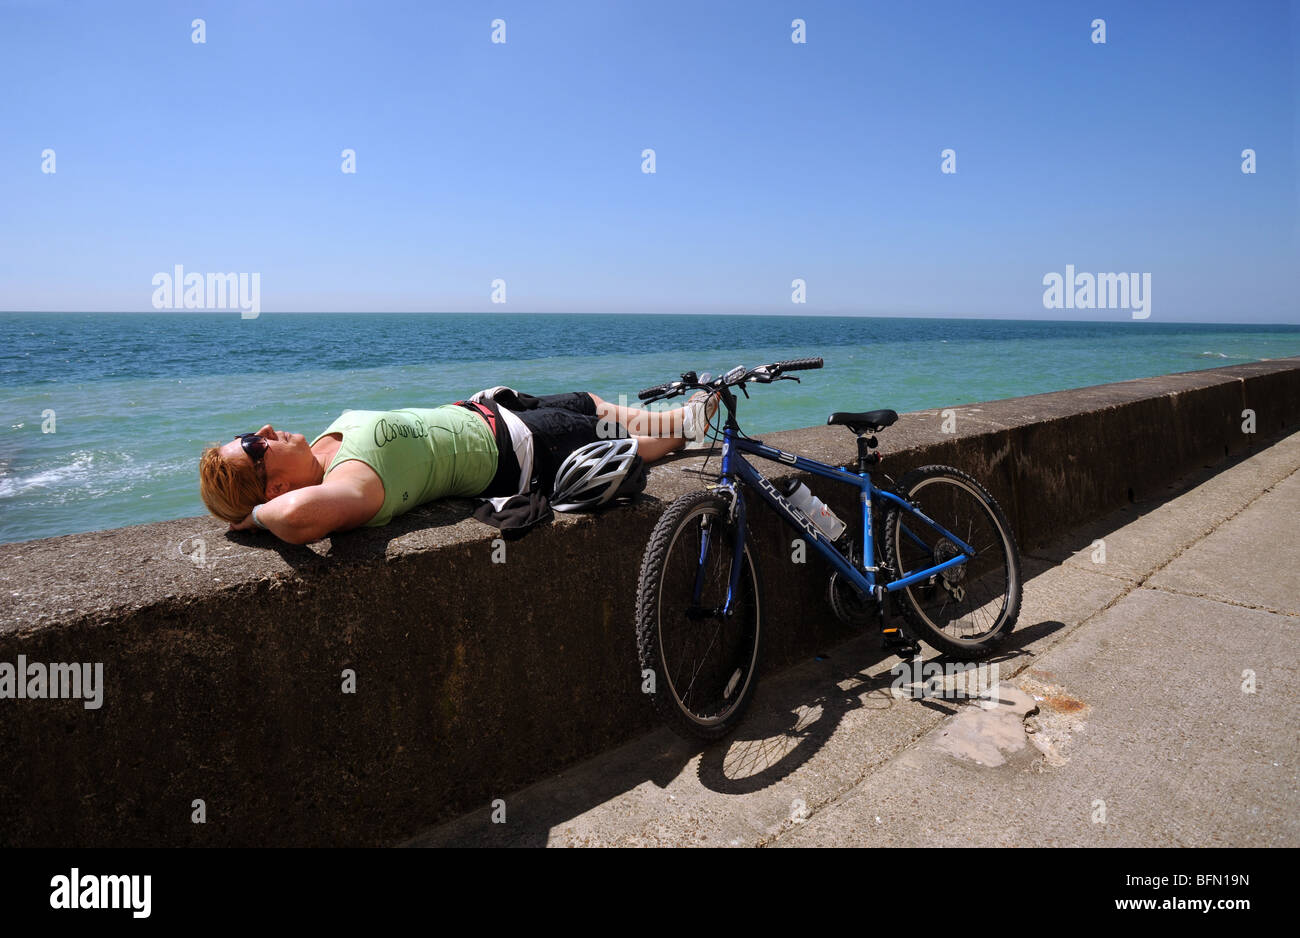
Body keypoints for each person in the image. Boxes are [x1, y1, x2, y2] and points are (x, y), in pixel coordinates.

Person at [198, 389, 717, 545]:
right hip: (521, 449)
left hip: (490, 412)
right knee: (618, 442)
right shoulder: (351, 485)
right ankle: (679, 429)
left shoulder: (326, 447)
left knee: (587, 401)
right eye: (254, 445)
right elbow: (298, 518)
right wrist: (258, 518)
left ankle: (674, 417)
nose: (265, 430)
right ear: (276, 488)